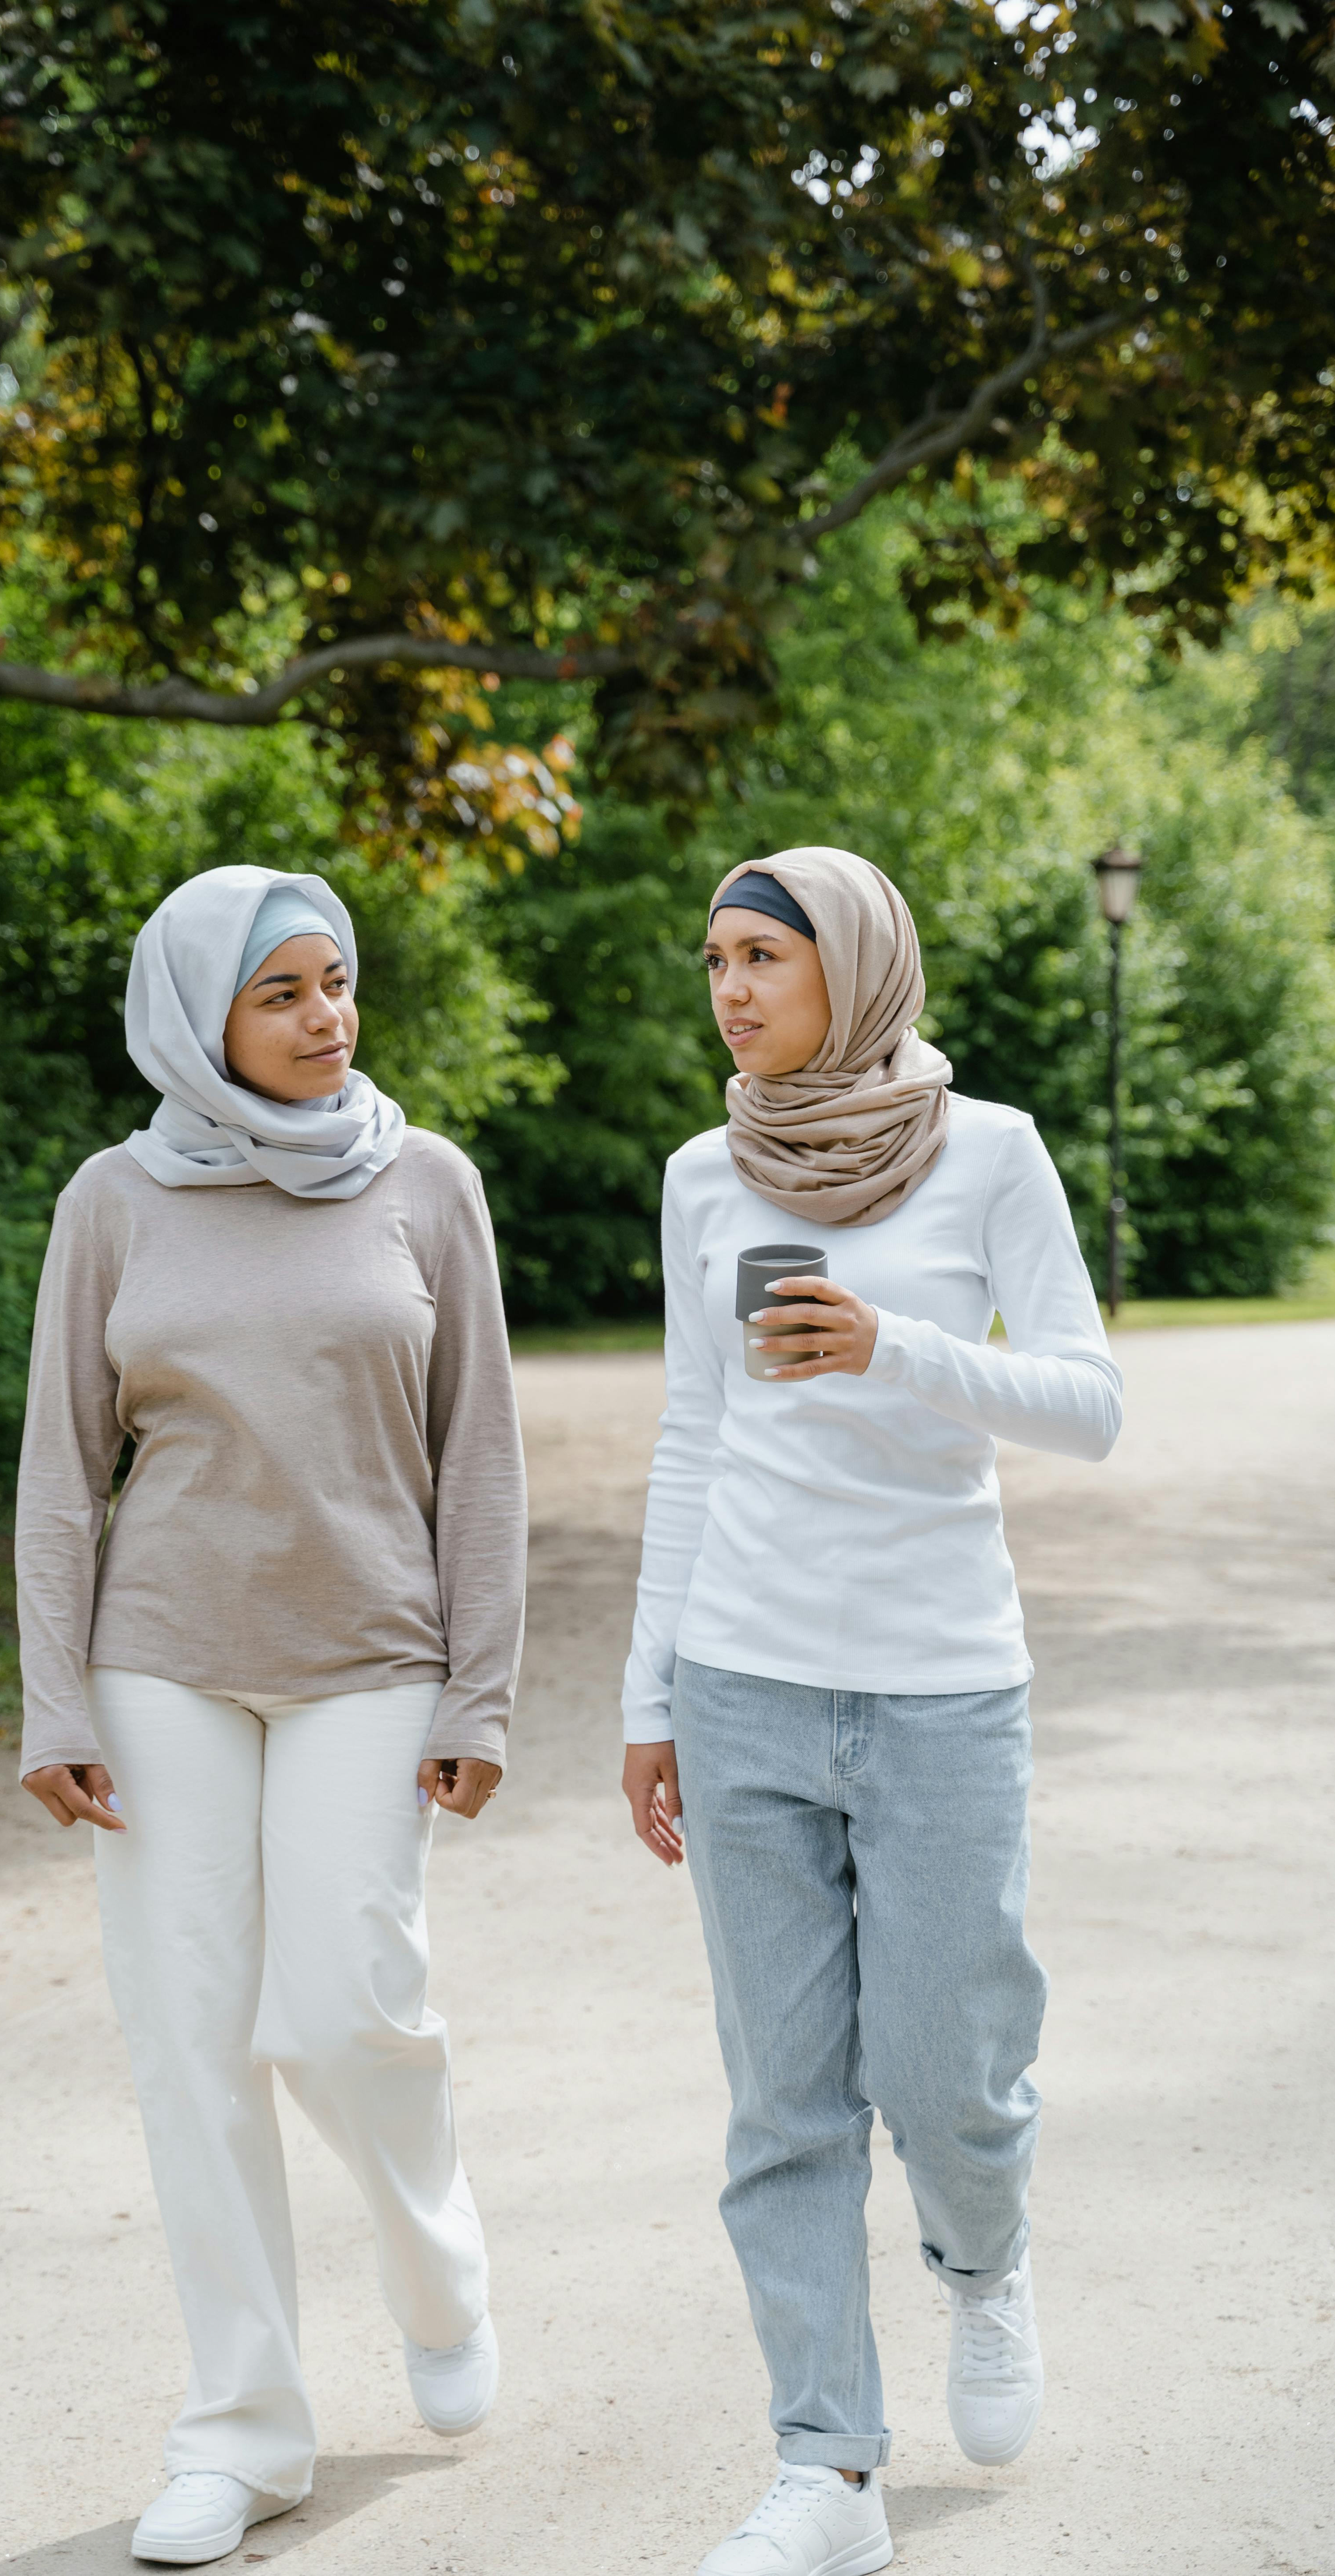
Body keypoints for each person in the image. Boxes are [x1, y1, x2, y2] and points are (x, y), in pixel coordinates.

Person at [14, 864, 526, 2568]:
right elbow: (61, 1468)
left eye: (336, 981)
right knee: (190, 2039)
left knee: (344, 2004)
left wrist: (485, 1687)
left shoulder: (427, 1183)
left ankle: (434, 2257)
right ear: (198, 1020)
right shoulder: (114, 1196)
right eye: (283, 992)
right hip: (158, 1652)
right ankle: (241, 2429)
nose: (326, 1017)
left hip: (373, 1655)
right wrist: (49, 1694)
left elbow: (482, 1459)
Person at [621, 847, 1122, 2576]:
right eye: (714, 961)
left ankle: (983, 2262)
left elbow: (1089, 1403)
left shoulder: (985, 1151)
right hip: (744, 1679)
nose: (733, 989)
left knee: (944, 2068)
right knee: (783, 2101)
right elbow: (691, 1438)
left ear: (857, 963)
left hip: (938, 1690)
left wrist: (897, 1350)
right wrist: (647, 1692)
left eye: (765, 955)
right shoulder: (705, 1172)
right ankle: (825, 2469)